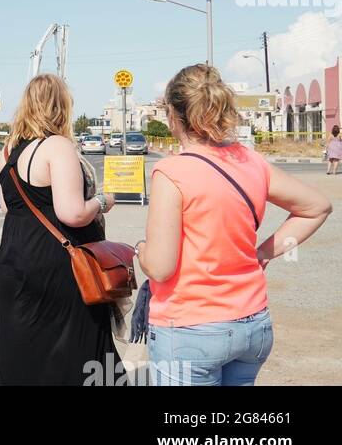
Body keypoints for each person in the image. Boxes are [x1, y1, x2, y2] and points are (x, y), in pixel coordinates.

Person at [136, 64, 332, 386]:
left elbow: (159, 267)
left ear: (173, 114)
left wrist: (142, 250)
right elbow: (316, 207)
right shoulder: (250, 160)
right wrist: (264, 253)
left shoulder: (171, 172)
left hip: (190, 328)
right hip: (252, 325)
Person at [0, 74, 120, 385]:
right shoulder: (57, 146)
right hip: (57, 262)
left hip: (13, 257)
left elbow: (8, 208)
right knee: (75, 343)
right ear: (61, 107)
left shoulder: (8, 152)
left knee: (22, 342)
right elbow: (73, 213)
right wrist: (103, 200)